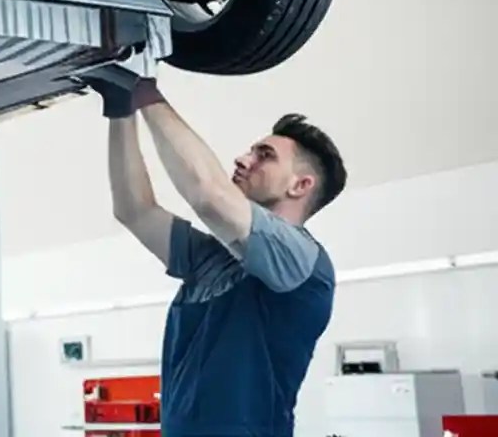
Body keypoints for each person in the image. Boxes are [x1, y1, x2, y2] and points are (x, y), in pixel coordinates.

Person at [82, 68, 347, 436]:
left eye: (264, 155)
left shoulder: (302, 261)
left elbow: (208, 194)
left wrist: (143, 87)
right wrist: (120, 106)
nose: (242, 159)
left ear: (300, 185)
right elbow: (134, 210)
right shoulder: (213, 259)